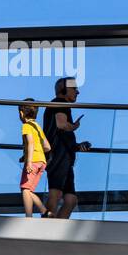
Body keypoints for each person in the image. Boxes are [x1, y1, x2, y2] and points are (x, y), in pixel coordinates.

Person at [43, 77, 92, 219]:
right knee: (56, 193)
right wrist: (75, 126)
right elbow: (61, 124)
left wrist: (76, 146)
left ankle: (55, 230)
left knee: (71, 200)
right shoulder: (60, 102)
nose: (77, 92)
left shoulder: (62, 104)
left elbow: (62, 133)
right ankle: (45, 228)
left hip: (64, 156)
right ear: (63, 90)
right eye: (74, 88)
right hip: (58, 155)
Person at [18, 99, 51, 218]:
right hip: (42, 162)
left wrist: (29, 161)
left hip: (33, 161)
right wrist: (26, 155)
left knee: (25, 189)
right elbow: (47, 147)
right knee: (29, 190)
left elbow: (30, 143)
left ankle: (29, 216)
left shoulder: (26, 126)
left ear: (21, 113)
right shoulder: (37, 126)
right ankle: (44, 212)